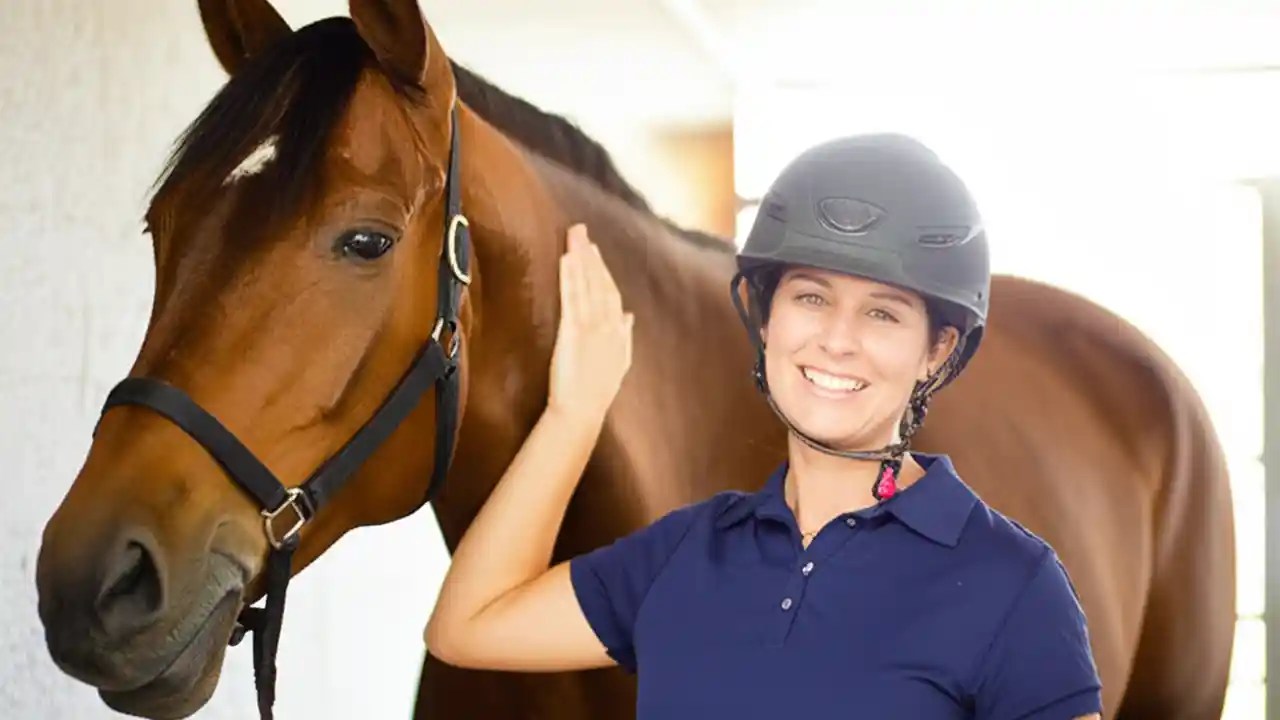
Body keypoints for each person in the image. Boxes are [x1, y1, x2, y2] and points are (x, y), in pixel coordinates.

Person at [424, 134, 1104, 719]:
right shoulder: (686, 554)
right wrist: (575, 412)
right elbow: (468, 626)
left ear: (937, 351)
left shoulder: (1011, 583)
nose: (837, 341)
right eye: (811, 297)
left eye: (883, 314)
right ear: (767, 319)